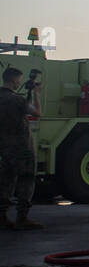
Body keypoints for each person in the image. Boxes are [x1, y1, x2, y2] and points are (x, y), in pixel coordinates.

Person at [0, 66, 42, 230]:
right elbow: (37, 113)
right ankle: (22, 216)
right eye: (18, 79)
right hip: (21, 147)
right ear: (13, 80)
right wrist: (36, 94)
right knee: (26, 180)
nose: (20, 82)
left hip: (4, 147)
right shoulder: (17, 100)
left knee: (6, 181)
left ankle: (2, 216)